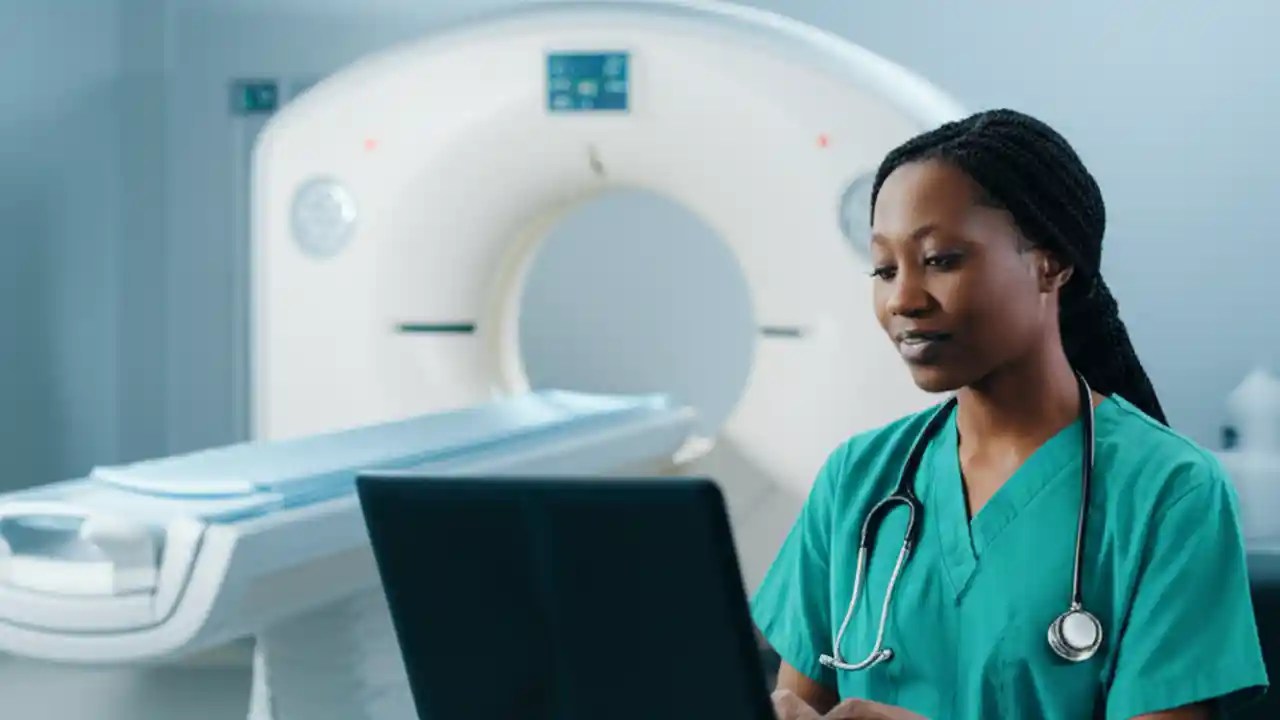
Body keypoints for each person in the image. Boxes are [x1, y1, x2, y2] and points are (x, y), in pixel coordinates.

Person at [754, 108, 1269, 719]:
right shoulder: (857, 480)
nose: (903, 299)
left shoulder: (1170, 491)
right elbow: (796, 705)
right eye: (885, 268)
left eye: (941, 259)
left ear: (1051, 262)